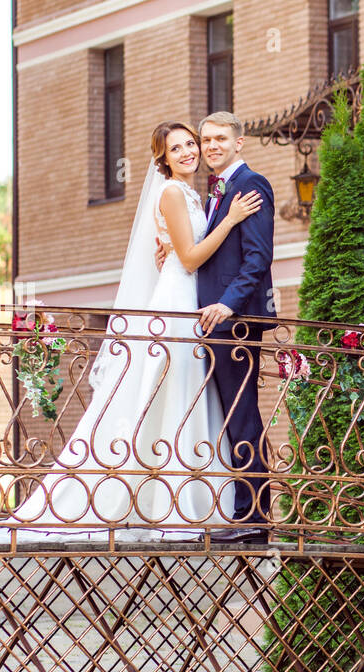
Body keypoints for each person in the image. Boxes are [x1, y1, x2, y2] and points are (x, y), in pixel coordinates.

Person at [0, 121, 262, 545]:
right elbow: (193, 257)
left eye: (190, 144)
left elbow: (178, 256)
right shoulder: (172, 192)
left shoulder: (194, 194)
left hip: (187, 301)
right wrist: (232, 218)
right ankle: (166, 503)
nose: (187, 152)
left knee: (180, 396)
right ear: (162, 159)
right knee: (170, 391)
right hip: (177, 307)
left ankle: (181, 498)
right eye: (175, 148)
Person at [158, 111, 277, 543]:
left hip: (236, 322)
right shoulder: (215, 192)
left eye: (219, 139)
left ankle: (254, 519)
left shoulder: (251, 184)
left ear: (239, 142)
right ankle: (242, 511)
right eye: (204, 139)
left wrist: (227, 306)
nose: (209, 147)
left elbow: (257, 258)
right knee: (230, 413)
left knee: (241, 413)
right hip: (213, 319)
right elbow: (204, 251)